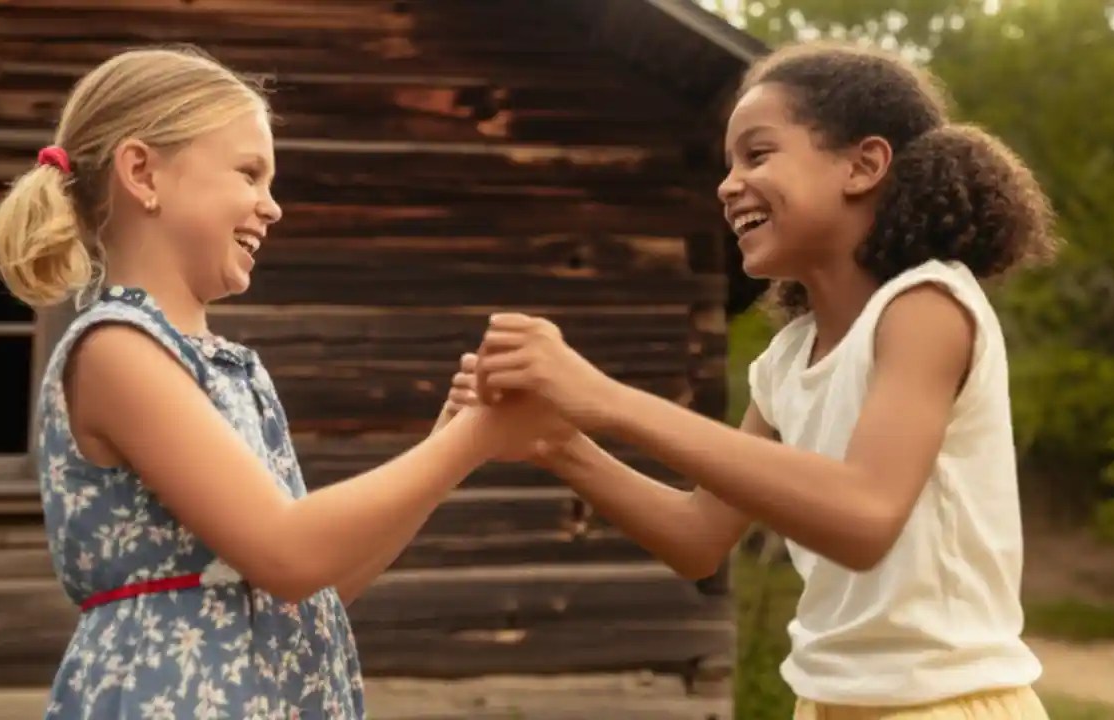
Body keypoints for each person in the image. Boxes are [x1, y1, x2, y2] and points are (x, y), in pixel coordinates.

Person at [443, 41, 1060, 719]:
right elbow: (697, 538)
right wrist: (557, 443)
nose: (728, 184)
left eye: (757, 154)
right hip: (826, 703)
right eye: (727, 163)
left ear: (864, 165)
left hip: (944, 703)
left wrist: (608, 401)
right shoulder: (788, 360)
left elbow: (864, 516)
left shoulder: (925, 306)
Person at [0, 45, 553, 720]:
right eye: (250, 173)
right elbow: (289, 552)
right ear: (142, 172)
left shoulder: (227, 367)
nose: (271, 207)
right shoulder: (118, 349)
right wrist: (474, 441)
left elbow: (316, 582)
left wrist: (450, 440)